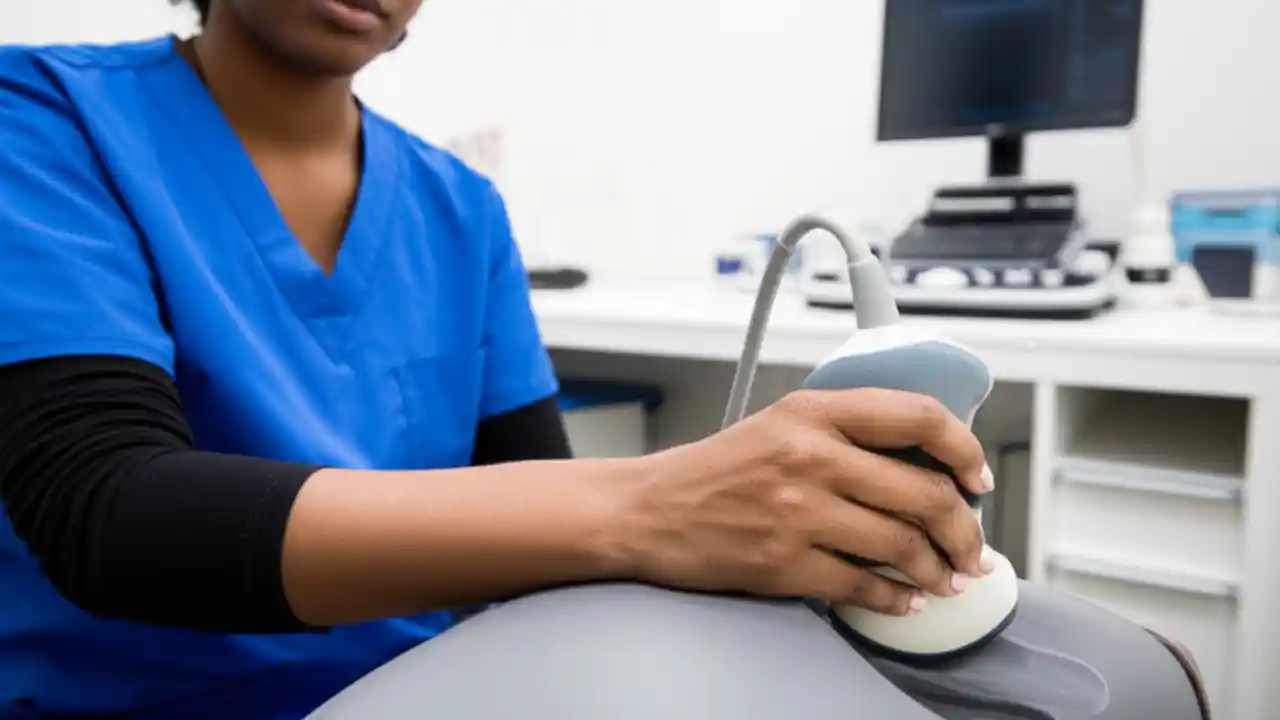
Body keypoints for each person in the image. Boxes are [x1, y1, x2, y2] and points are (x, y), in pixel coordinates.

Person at [0, 0, 996, 717]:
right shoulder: (43, 116)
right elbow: (107, 511)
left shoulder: (459, 208)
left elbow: (540, 526)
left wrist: (761, 536)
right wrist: (659, 505)